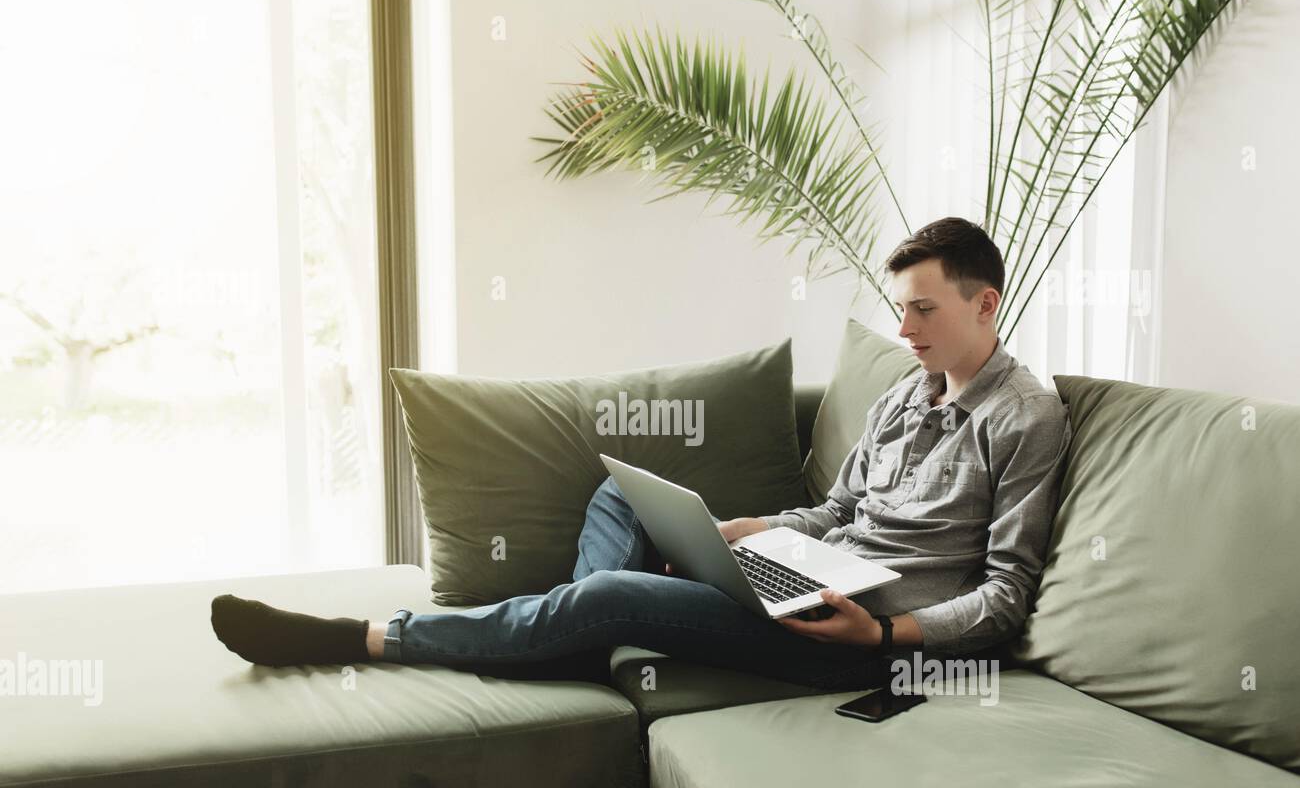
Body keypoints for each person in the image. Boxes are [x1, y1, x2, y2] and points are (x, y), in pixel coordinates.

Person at [211, 216, 1071, 691]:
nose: (902, 327)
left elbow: (1005, 594)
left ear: (985, 303)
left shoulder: (1024, 414)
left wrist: (882, 630)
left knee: (613, 592)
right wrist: (750, 531)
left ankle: (360, 638)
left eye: (922, 309)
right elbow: (839, 513)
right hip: (805, 579)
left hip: (851, 638)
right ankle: (578, 629)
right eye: (899, 309)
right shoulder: (902, 391)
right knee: (620, 497)